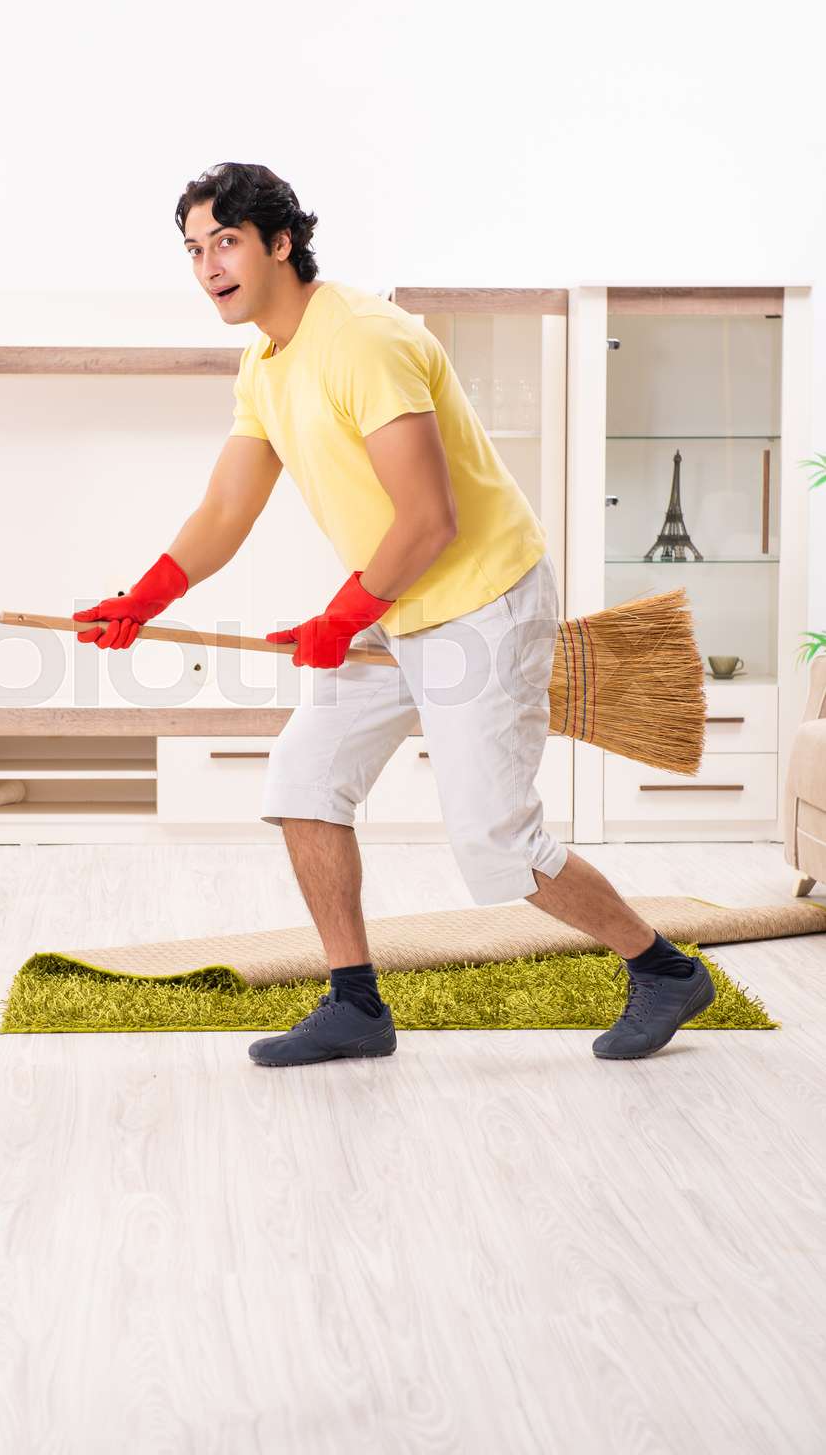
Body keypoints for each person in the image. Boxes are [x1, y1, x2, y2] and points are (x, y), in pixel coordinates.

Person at [74, 161, 715, 1067]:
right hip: (396, 596)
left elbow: (429, 518)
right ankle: (357, 1006)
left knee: (496, 840)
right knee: (304, 786)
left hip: (483, 598)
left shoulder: (364, 340)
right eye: (193, 249)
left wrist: (342, 617)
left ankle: (664, 970)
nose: (208, 265)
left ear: (280, 243)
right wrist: (147, 596)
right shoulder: (264, 361)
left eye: (226, 241)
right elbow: (226, 509)